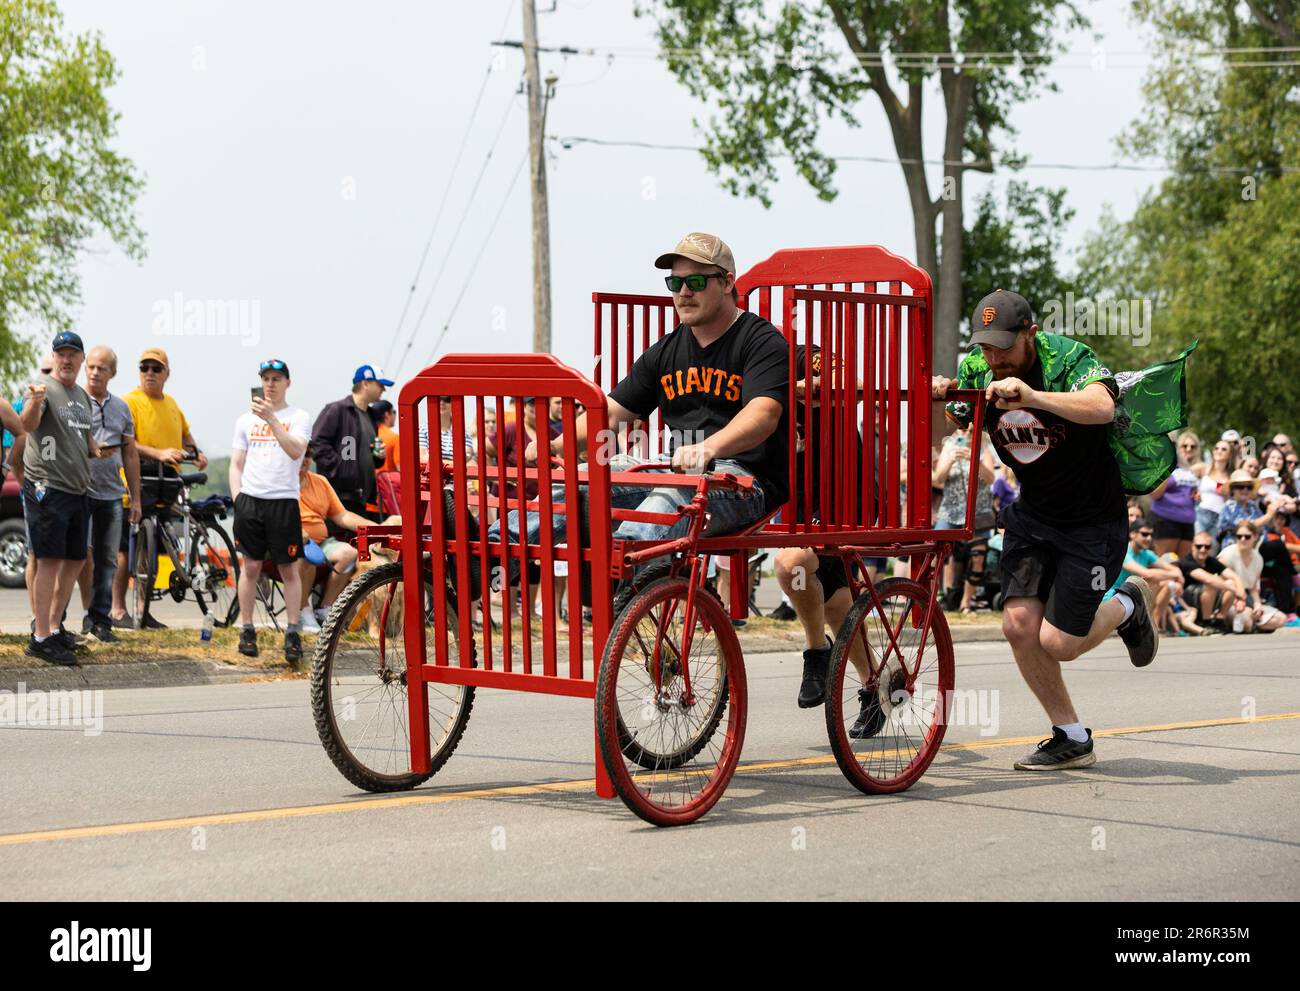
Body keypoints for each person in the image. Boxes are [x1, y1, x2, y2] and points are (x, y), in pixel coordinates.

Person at [936, 289, 1160, 771]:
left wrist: (1034, 396)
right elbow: (960, 418)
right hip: (1032, 515)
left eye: (1004, 347)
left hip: (1092, 521)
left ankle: (1127, 604)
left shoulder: (1068, 358)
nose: (994, 358)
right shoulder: (979, 366)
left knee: (1060, 643)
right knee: (1018, 626)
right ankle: (1071, 735)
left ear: (1030, 335)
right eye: (985, 347)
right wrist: (945, 393)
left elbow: (1100, 406)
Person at [490, 232, 787, 591]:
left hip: (743, 480)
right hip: (675, 467)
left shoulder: (761, 340)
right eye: (674, 282)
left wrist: (710, 447)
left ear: (726, 283)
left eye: (694, 281)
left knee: (671, 496)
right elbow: (613, 413)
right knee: (588, 476)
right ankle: (487, 554)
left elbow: (763, 414)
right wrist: (558, 443)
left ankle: (619, 575)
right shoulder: (666, 350)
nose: (683, 292)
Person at [19, 332, 98, 665]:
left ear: (81, 360)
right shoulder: (42, 389)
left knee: (77, 559)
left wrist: (93, 448)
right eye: (61, 354)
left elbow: (84, 435)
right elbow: (27, 424)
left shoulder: (81, 395)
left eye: (72, 355)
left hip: (77, 489)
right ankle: (40, 637)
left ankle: (53, 626)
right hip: (48, 487)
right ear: (53, 358)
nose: (66, 360)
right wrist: (35, 402)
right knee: (49, 561)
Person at [116, 347, 208, 629]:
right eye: (145, 368)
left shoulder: (172, 404)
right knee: (124, 549)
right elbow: (125, 442)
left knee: (151, 548)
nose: (150, 374)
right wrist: (158, 453)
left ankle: (144, 609)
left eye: (156, 369)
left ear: (167, 373)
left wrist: (196, 452)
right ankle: (118, 610)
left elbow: (186, 436)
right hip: (135, 481)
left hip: (166, 482)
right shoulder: (129, 402)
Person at [229, 359, 311, 662]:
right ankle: (247, 628)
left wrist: (272, 421)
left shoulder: (299, 417)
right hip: (252, 500)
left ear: (287, 382)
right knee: (250, 567)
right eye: (265, 378)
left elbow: (295, 450)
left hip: (283, 501)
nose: (270, 384)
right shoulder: (244, 421)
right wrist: (238, 499)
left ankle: (293, 631)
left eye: (277, 378)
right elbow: (236, 464)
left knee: (289, 567)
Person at [76, 347, 142, 643]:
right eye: (90, 366)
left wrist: (136, 498)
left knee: (107, 559)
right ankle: (56, 622)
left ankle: (101, 620)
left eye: (101, 368)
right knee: (75, 556)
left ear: (112, 373)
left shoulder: (121, 408)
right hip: (78, 490)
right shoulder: (74, 402)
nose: (94, 372)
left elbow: (130, 454)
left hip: (112, 495)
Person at [295, 455, 378, 631]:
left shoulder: (320, 481)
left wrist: (376, 528)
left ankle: (326, 608)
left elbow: (342, 515)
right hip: (292, 541)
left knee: (350, 552)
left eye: (308, 455)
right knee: (307, 554)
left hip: (321, 542)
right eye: (300, 455)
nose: (304, 460)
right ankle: (303, 610)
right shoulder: (280, 483)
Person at [311, 364, 392, 520]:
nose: (384, 389)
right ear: (365, 384)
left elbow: (365, 457)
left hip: (361, 499)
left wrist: (378, 458)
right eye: (380, 385)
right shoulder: (337, 409)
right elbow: (317, 444)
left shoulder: (370, 416)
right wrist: (342, 470)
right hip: (338, 499)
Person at [1217, 521, 1286, 632]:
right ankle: (1244, 623)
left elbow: (1253, 587)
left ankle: (1251, 623)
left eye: (1247, 536)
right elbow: (1219, 584)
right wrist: (1237, 602)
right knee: (1247, 622)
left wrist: (1257, 604)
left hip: (1246, 599)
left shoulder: (1258, 559)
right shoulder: (1227, 555)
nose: (1243, 539)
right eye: (1239, 536)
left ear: (1255, 537)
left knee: (1281, 619)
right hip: (1226, 600)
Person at [1175, 531, 1244, 629]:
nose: (1203, 549)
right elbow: (1208, 579)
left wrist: (1241, 595)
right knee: (1213, 584)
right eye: (1199, 546)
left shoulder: (1211, 561)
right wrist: (1236, 590)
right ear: (1192, 546)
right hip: (1186, 602)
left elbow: (1234, 576)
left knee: (1230, 582)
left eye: (1207, 547)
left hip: (1207, 599)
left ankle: (1219, 620)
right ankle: (1206, 622)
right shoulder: (1187, 562)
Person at [1148, 432, 1200, 558]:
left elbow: (1190, 491)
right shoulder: (1159, 464)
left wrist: (1197, 494)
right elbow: (1154, 494)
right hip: (1166, 521)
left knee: (1181, 567)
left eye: (1173, 443)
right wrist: (1168, 467)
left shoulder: (1188, 467)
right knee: (1165, 564)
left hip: (1188, 523)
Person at [1196, 437, 1234, 549]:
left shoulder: (1231, 476)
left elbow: (1230, 501)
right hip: (1201, 512)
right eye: (1216, 448)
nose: (1219, 451)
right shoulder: (1203, 469)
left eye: (1224, 449)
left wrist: (1225, 493)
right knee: (1196, 545)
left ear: (1230, 455)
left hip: (1219, 516)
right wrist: (1195, 492)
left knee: (1212, 549)